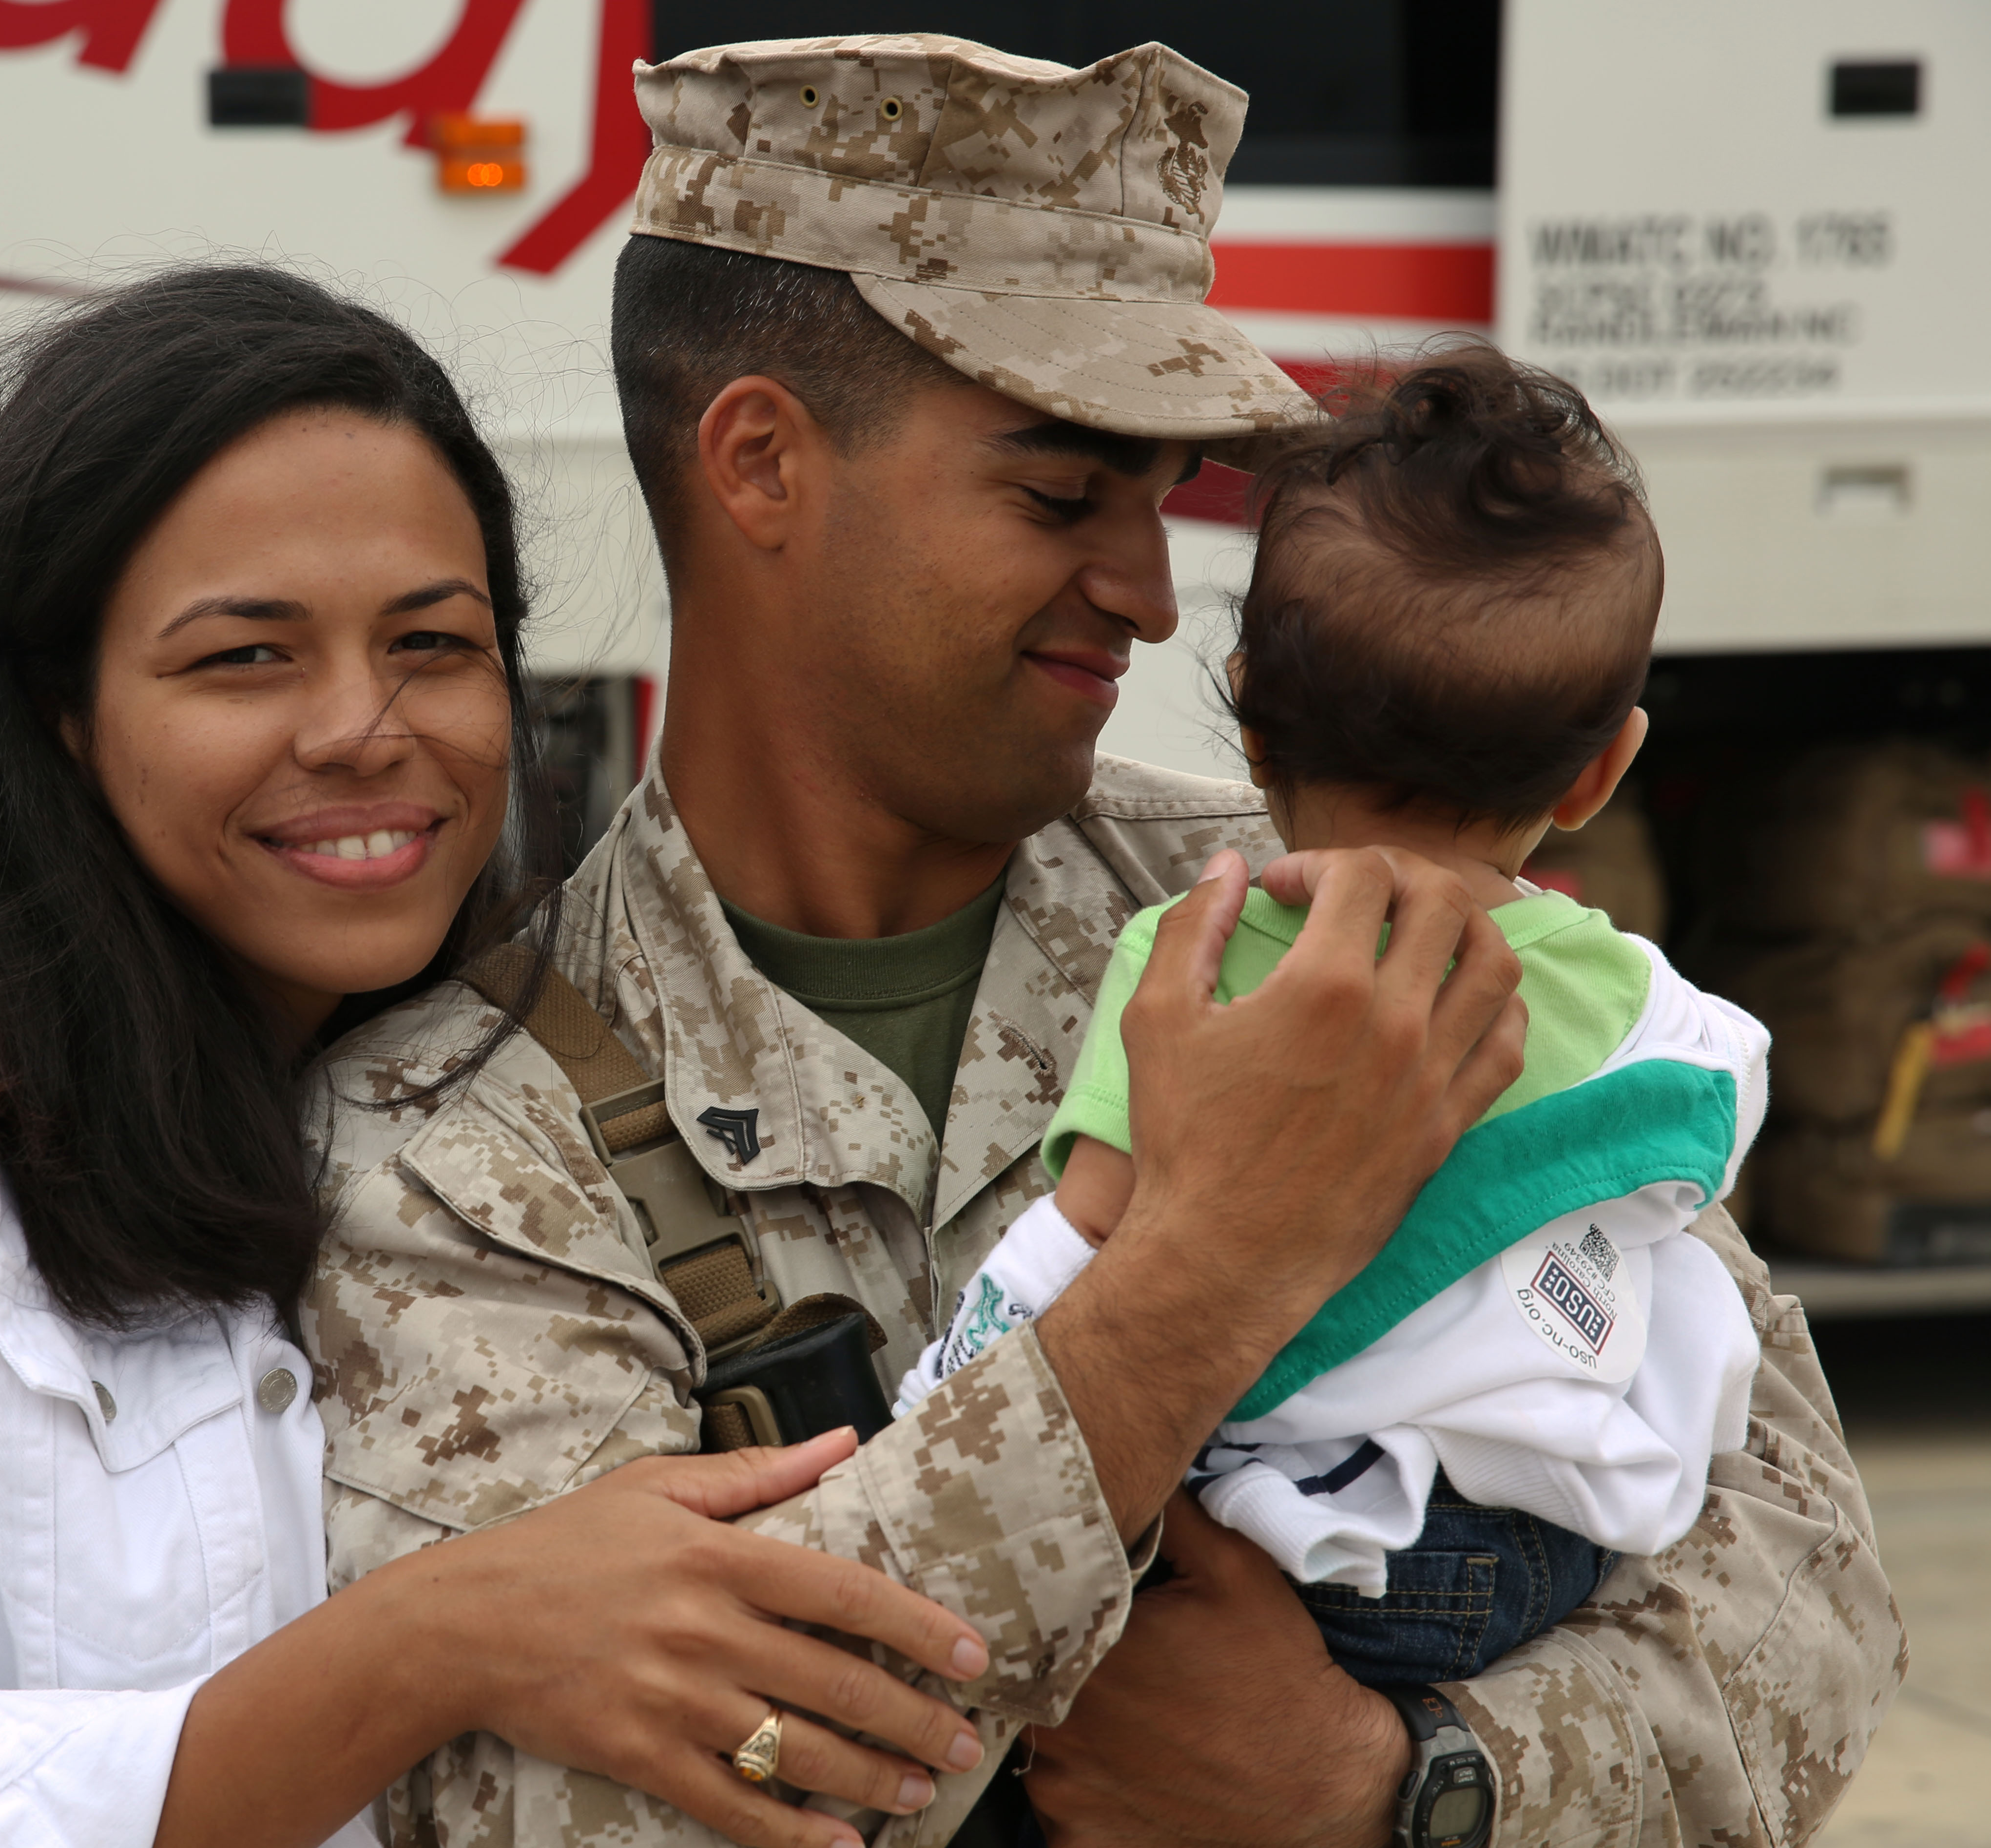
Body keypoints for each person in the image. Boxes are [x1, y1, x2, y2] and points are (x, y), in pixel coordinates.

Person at [309, 34, 1902, 1848]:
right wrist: (1184, 1294)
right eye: (1063, 497)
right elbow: (535, 1814)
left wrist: (1397, 1786)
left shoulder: (1346, 912)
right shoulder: (455, 1145)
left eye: (1164, 502)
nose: (1153, 596)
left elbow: (1810, 1599)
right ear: (759, 462)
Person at [0, 266, 1009, 1848]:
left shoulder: (493, 1113)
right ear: (62, 710)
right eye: (244, 658)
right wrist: (439, 1638)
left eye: (431, 643)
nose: (359, 727)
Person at [895, 343, 1772, 1692]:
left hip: (1314, 1555)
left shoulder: (1187, 955)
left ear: (1246, 720)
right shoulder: (1635, 999)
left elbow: (1079, 1245)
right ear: (1601, 773)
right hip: (1552, 1557)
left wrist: (937, 1407)